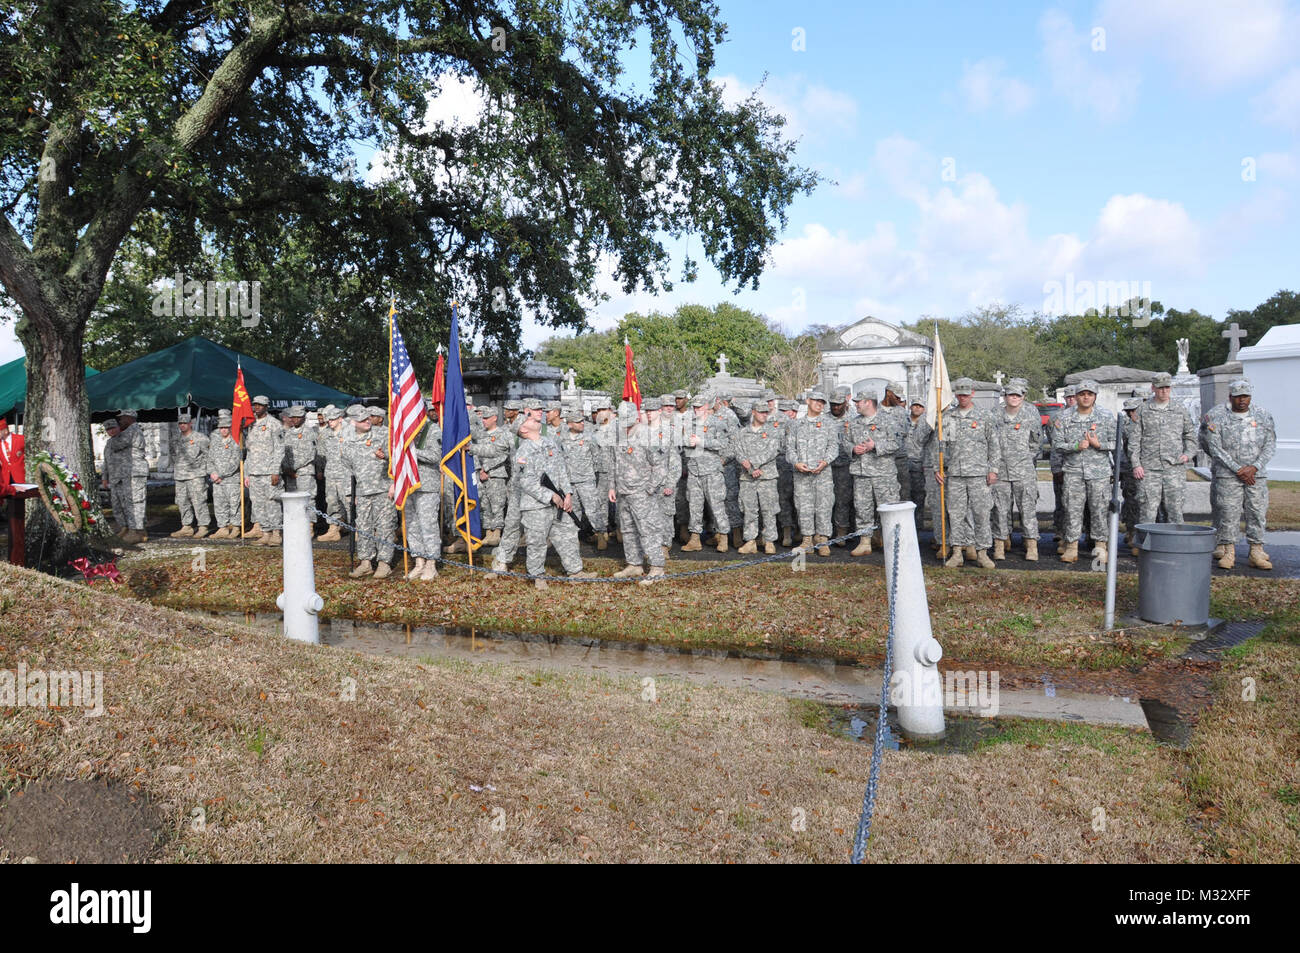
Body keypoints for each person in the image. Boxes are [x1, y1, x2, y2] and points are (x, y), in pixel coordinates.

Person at [514, 413, 594, 589]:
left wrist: (568, 494)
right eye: (528, 419)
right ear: (523, 429)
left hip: (559, 503)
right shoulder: (523, 451)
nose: (534, 419)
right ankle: (538, 575)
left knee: (568, 536)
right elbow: (526, 481)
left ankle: (575, 571)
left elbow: (562, 469)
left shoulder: (550, 442)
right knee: (537, 541)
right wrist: (549, 496)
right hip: (536, 506)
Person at [1204, 379, 1275, 570]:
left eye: (1245, 396)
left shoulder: (1263, 416)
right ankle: (1228, 551)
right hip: (1228, 475)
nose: (1242, 400)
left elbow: (1270, 444)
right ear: (1230, 397)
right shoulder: (1217, 417)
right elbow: (1214, 447)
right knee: (1228, 512)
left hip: (1255, 475)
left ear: (1250, 396)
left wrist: (1254, 467)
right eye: (1238, 397)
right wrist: (1237, 469)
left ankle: (1256, 551)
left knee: (1257, 512)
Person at [937, 379, 998, 568]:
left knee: (981, 513)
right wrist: (936, 468)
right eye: (959, 394)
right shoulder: (949, 417)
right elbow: (941, 446)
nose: (962, 397)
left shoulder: (984, 416)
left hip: (979, 474)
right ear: (955, 394)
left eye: (966, 393)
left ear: (972, 393)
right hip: (955, 474)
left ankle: (982, 553)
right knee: (955, 514)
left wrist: (993, 469)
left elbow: (994, 445)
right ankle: (957, 552)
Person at [1054, 380, 1115, 564]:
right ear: (1077, 396)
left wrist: (1099, 445)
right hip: (1073, 472)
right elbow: (1057, 444)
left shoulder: (1105, 416)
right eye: (1082, 394)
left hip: (1099, 473)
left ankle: (1100, 547)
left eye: (1090, 394)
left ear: (1095, 396)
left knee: (1099, 510)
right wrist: (1075, 446)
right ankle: (1072, 546)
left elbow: (1116, 443)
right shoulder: (1064, 417)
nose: (1086, 397)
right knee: (1072, 510)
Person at [1130, 372, 1197, 529]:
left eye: (1167, 387)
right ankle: (1147, 547)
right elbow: (1134, 441)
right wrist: (1136, 464)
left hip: (1174, 468)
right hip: (1149, 469)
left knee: (1175, 511)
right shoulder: (1143, 410)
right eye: (1160, 388)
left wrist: (1187, 454)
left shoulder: (1180, 410)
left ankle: (1175, 546)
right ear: (1153, 388)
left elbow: (1190, 436)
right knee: (1147, 511)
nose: (1164, 391)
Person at [610, 403, 667, 582]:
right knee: (627, 530)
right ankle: (634, 564)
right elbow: (613, 462)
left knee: (648, 530)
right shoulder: (618, 435)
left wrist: (650, 488)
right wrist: (612, 486)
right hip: (623, 492)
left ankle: (657, 568)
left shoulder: (647, 435)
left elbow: (660, 466)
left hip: (641, 492)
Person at [841, 385, 900, 557]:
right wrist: (853, 449)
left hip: (884, 474)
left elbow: (897, 444)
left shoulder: (888, 421)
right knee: (862, 509)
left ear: (868, 402)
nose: (856, 405)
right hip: (861, 474)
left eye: (859, 402)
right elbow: (845, 443)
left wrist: (876, 446)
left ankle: (891, 542)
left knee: (888, 509)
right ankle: (865, 542)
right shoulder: (853, 423)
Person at [342, 404, 396, 578]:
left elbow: (397, 459)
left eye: (368, 418)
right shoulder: (346, 438)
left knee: (385, 526)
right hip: (363, 490)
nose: (367, 422)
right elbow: (346, 468)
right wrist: (351, 492)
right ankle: (365, 562)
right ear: (352, 422)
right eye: (362, 420)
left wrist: (395, 483)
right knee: (363, 526)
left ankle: (384, 563)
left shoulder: (383, 434)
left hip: (383, 488)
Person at [992, 379, 1043, 561]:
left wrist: (1026, 459)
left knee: (1027, 509)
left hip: (1023, 471)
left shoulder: (1031, 413)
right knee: (999, 509)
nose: (1014, 398)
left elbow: (1036, 441)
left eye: (1017, 395)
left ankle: (1031, 545)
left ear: (1023, 396)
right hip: (1000, 471)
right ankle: (1000, 544)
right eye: (1010, 395)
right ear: (1005, 396)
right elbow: (990, 441)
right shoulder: (995, 413)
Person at [682, 394, 731, 552]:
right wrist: (686, 441)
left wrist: (702, 442)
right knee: (694, 506)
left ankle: (723, 536)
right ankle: (695, 538)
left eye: (699, 407)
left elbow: (723, 443)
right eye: (694, 407)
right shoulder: (689, 424)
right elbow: (680, 440)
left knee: (716, 505)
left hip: (711, 471)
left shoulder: (716, 423)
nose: (696, 410)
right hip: (694, 469)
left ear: (706, 407)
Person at [790, 391, 838, 556]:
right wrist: (796, 462)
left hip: (822, 474)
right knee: (803, 507)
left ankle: (823, 539)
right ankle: (807, 539)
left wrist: (825, 462)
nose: (820, 404)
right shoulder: (797, 425)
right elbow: (789, 448)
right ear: (808, 401)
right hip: (801, 474)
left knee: (824, 506)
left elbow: (834, 447)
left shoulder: (829, 424)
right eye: (817, 401)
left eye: (822, 402)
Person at [733, 400, 780, 554]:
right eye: (761, 412)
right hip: (748, 478)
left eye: (766, 412)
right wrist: (748, 466)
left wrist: (754, 465)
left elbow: (772, 451)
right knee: (749, 510)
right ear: (753, 412)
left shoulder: (773, 431)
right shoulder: (742, 433)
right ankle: (751, 541)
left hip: (767, 477)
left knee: (769, 510)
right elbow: (738, 450)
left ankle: (769, 541)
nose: (764, 415)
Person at [404, 400, 442, 581]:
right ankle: (418, 561)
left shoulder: (433, 429)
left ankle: (431, 564)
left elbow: (436, 455)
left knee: (428, 525)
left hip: (427, 485)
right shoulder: (404, 430)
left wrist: (412, 451)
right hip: (408, 484)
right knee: (411, 524)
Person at [243, 396, 284, 545]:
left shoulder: (274, 424)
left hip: (268, 472)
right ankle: (265, 532)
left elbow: (279, 450)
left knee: (272, 502)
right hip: (254, 471)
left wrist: (275, 471)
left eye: (261, 405)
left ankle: (276, 533)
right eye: (255, 405)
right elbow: (249, 450)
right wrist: (247, 473)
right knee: (258, 504)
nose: (257, 407)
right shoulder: (251, 424)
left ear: (267, 406)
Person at [106, 409, 149, 542]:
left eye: (122, 418)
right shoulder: (131, 430)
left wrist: (112, 440)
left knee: (135, 502)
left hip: (135, 472)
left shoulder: (132, 430)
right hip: (129, 473)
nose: (120, 421)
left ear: (129, 417)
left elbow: (116, 444)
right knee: (129, 502)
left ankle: (136, 531)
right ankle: (137, 530)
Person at [472, 406, 510, 545]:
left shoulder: (502, 434)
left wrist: (486, 469)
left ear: (494, 418)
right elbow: (474, 452)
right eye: (483, 418)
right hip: (480, 474)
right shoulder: (480, 434)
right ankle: (488, 532)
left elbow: (503, 455)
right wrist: (479, 469)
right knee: (485, 504)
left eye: (487, 418)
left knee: (497, 504)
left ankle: (497, 532)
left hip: (496, 474)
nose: (484, 421)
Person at [169, 413, 211, 538]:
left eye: (185, 423)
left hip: (196, 475)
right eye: (180, 423)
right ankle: (186, 526)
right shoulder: (175, 439)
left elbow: (209, 455)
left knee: (198, 500)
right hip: (180, 475)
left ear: (190, 423)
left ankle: (203, 526)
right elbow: (173, 454)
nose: (182, 425)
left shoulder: (200, 438)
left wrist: (202, 468)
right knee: (182, 501)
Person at [651, 394, 682, 557]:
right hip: (650, 482)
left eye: (672, 406)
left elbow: (675, 460)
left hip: (668, 478)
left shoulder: (675, 427)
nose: (669, 408)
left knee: (667, 513)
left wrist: (670, 482)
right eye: (666, 406)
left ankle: (665, 544)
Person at [281, 405, 318, 536]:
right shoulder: (288, 433)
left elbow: (309, 454)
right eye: (292, 417)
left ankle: (310, 527)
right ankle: (295, 525)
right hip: (290, 474)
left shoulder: (309, 432)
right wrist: (286, 469)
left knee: (307, 499)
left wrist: (293, 468)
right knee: (293, 500)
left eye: (297, 417)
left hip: (304, 472)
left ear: (303, 417)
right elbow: (284, 453)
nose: (294, 420)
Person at [206, 411, 242, 538]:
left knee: (234, 505)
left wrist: (220, 474)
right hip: (217, 481)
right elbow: (209, 460)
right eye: (221, 428)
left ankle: (236, 527)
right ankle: (222, 527)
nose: (223, 430)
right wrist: (212, 473)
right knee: (220, 504)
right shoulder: (215, 443)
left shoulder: (236, 442)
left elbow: (235, 463)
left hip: (231, 480)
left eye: (226, 428)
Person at [317, 406, 351, 542]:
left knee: (349, 503)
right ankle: (333, 529)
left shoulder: (349, 433)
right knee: (331, 502)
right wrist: (321, 469)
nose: (330, 422)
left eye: (333, 419)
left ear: (340, 419)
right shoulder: (326, 434)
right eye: (328, 419)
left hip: (346, 474)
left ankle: (358, 529)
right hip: (331, 473)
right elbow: (321, 453)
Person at [828, 386, 855, 547]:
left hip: (846, 465)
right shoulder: (823, 420)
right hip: (827, 466)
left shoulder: (853, 418)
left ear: (845, 403)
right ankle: (828, 531)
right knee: (827, 500)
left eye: (838, 404)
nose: (835, 407)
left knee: (844, 500)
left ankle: (843, 531)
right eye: (833, 404)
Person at [1051, 384, 1076, 552]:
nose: (1072, 399)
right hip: (1063, 466)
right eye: (1069, 397)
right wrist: (1056, 468)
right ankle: (1061, 531)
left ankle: (1088, 534)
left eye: (1074, 396)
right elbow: (1054, 446)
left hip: (1082, 468)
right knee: (1062, 502)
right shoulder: (1057, 418)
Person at [1119, 398, 1141, 553]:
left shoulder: (1148, 421)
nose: (1131, 414)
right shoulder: (1124, 425)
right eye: (1129, 412)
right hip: (1129, 467)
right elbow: (1120, 447)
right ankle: (1132, 531)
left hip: (1148, 467)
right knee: (1131, 501)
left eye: (1134, 410)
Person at [905, 399, 928, 533]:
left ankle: (917, 527)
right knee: (904, 496)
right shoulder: (903, 421)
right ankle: (905, 527)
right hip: (903, 463)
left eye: (920, 406)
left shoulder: (926, 424)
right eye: (915, 405)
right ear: (910, 407)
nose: (917, 408)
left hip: (919, 464)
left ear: (924, 409)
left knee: (918, 497)